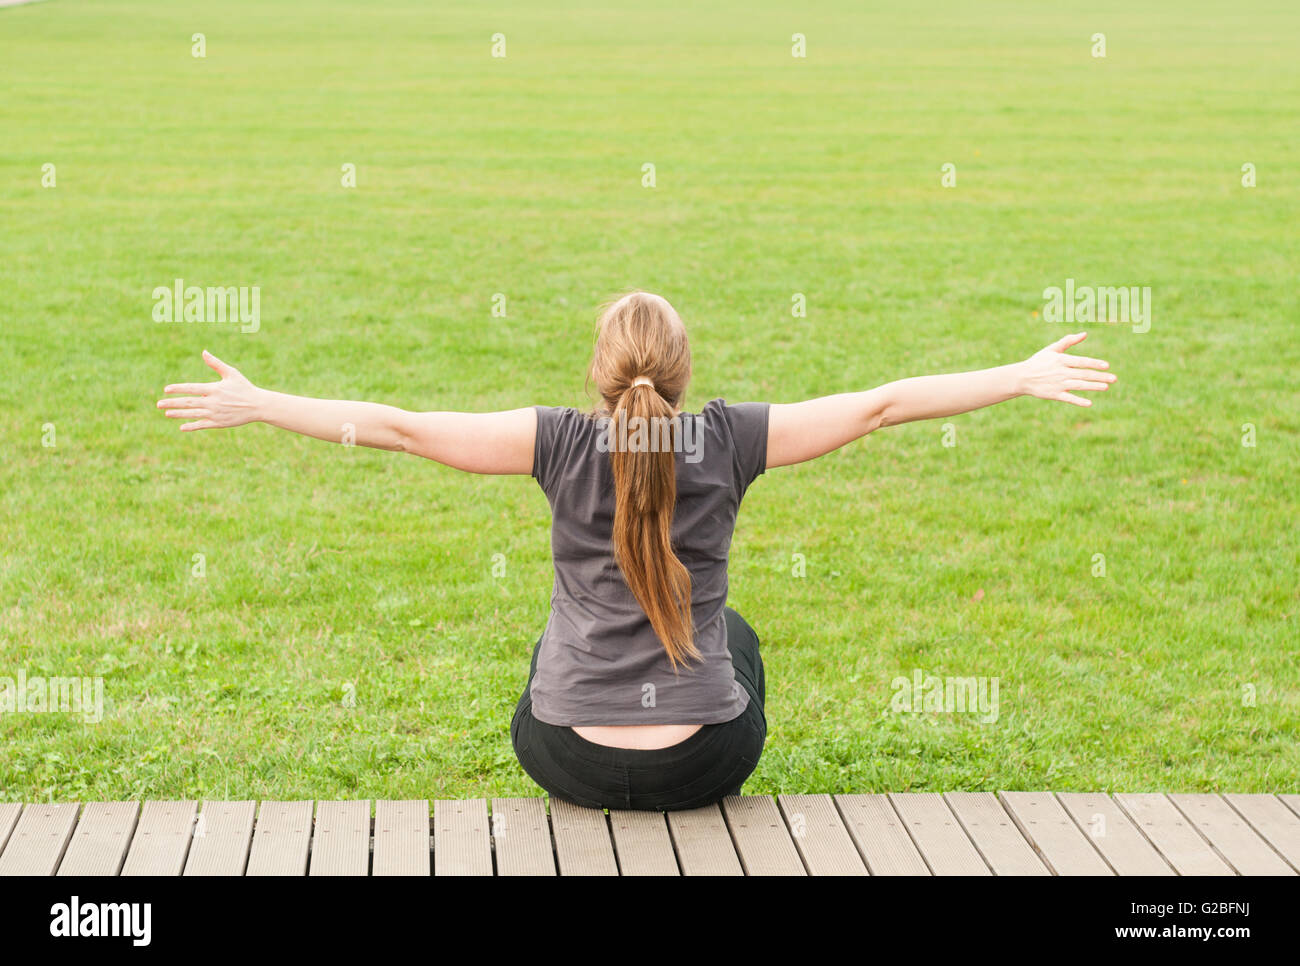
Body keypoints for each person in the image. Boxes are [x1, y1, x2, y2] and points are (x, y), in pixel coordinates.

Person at [157, 291, 1115, 811]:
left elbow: (401, 428)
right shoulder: (730, 438)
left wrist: (259, 402)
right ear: (684, 373)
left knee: (553, 644)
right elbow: (881, 405)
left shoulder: (557, 441)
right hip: (706, 767)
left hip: (563, 759)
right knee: (732, 635)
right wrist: (1022, 377)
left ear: (597, 376)